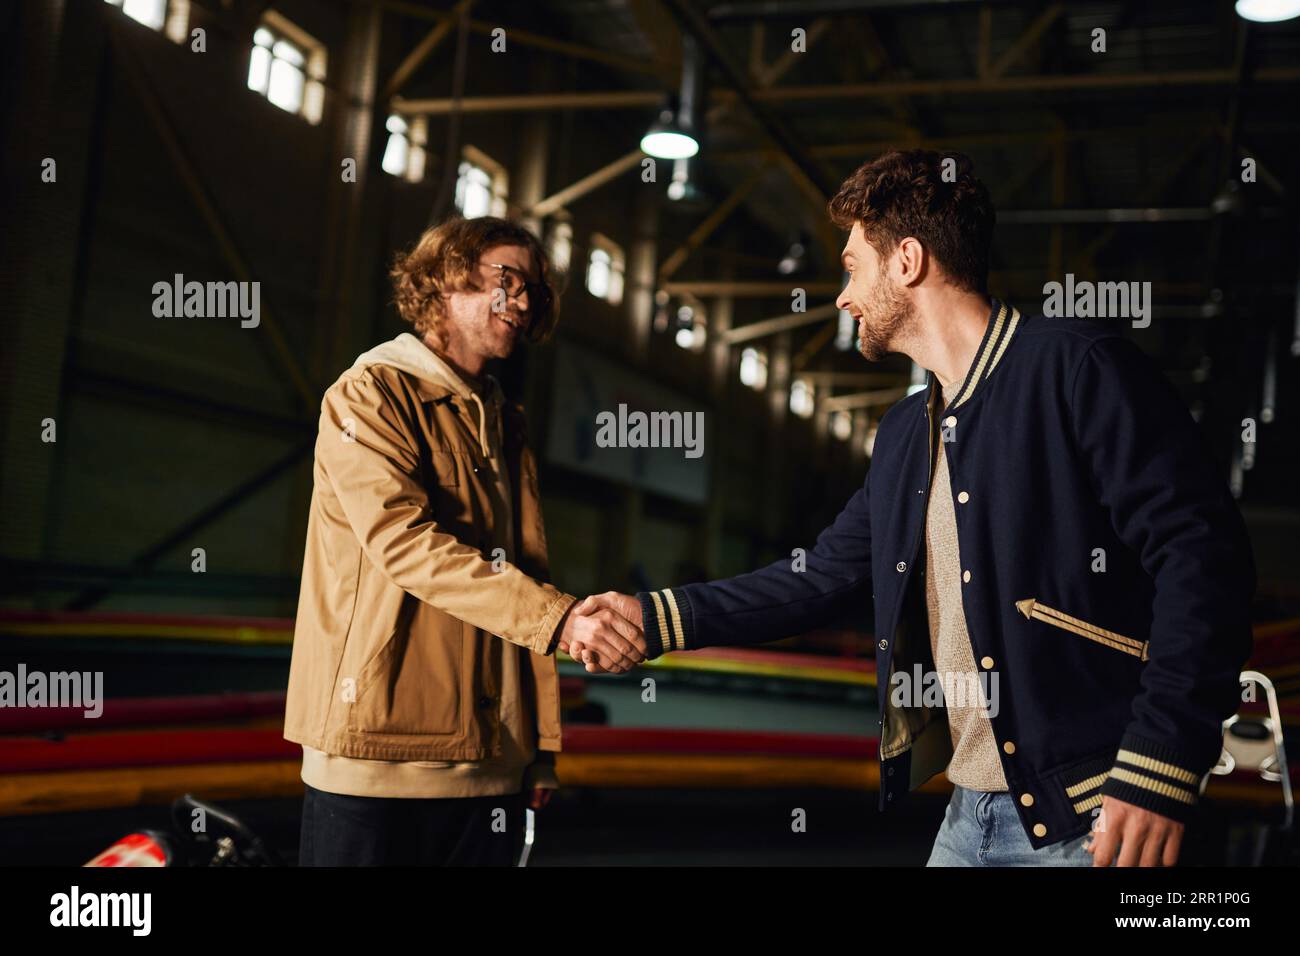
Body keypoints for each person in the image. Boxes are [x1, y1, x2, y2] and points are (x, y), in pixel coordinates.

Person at [570, 149, 1255, 868]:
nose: (842, 296)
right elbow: (822, 576)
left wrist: (1161, 763)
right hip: (969, 814)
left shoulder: (1076, 367)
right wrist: (653, 617)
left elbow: (1203, 560)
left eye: (851, 266)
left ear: (906, 261)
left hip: (1099, 813)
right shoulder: (904, 431)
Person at [285, 216, 645, 866]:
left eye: (533, 289)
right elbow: (404, 544)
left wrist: (535, 750)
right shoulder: (370, 394)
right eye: (506, 280)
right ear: (441, 282)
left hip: (492, 764)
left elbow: (523, 571)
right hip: (380, 757)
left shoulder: (502, 421)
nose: (525, 301)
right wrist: (562, 620)